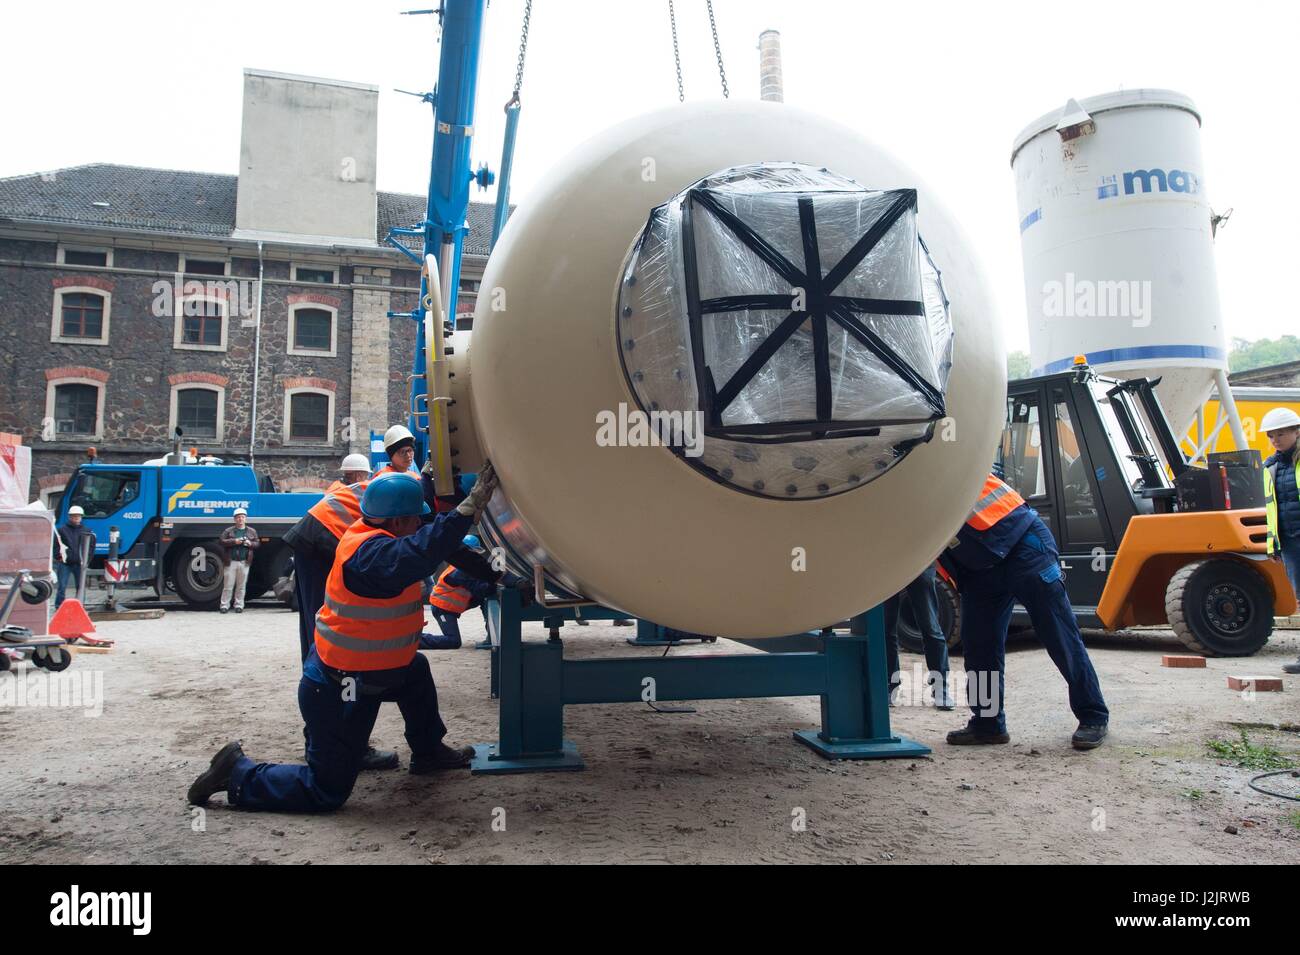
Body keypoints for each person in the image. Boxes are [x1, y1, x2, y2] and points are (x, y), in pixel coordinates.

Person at [187, 466, 500, 812]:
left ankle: (428, 753)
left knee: (415, 671)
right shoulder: (372, 556)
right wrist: (464, 511)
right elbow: (420, 552)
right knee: (326, 791)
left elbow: (432, 544)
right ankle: (236, 772)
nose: (420, 525)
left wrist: (497, 576)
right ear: (398, 522)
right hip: (338, 690)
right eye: (417, 520)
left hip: (365, 675)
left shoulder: (378, 531)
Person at [939, 472, 1109, 749]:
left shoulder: (945, 458)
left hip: (1022, 545)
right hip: (978, 567)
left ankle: (1093, 716)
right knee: (980, 648)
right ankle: (987, 724)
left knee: (1060, 637)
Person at [423, 535, 530, 649]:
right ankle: (419, 640)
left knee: (483, 600)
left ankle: (490, 634)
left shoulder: (465, 569)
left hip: (453, 607)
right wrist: (499, 582)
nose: (476, 556)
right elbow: (481, 589)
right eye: (474, 552)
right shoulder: (460, 573)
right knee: (453, 641)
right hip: (441, 609)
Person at [1261, 408, 1300, 674]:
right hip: (1290, 542)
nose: (1276, 439)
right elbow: (1271, 508)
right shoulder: (1270, 467)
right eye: (1272, 435)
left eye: (1282, 433)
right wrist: (1272, 543)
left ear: (1297, 432)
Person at [883, 566, 954, 710]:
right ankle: (890, 685)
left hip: (919, 562)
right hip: (888, 563)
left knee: (931, 628)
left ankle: (941, 688)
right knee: (885, 629)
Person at [54, 505, 96, 608]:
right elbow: (56, 546)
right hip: (65, 563)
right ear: (70, 517)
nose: (76, 518)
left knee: (80, 587)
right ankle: (59, 606)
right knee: (62, 586)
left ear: (81, 517)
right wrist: (59, 557)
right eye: (74, 516)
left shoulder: (87, 531)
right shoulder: (62, 530)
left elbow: (91, 547)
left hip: (80, 563)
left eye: (78, 516)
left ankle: (79, 606)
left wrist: (87, 560)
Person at [217, 507, 258, 614]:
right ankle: (224, 605)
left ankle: (239, 605)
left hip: (244, 562)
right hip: (230, 561)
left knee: (241, 586)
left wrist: (250, 543)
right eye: (238, 517)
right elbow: (221, 541)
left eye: (242, 517)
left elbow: (257, 544)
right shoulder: (228, 531)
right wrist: (234, 541)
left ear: (245, 519)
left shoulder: (251, 531)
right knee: (228, 586)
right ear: (235, 519)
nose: (240, 519)